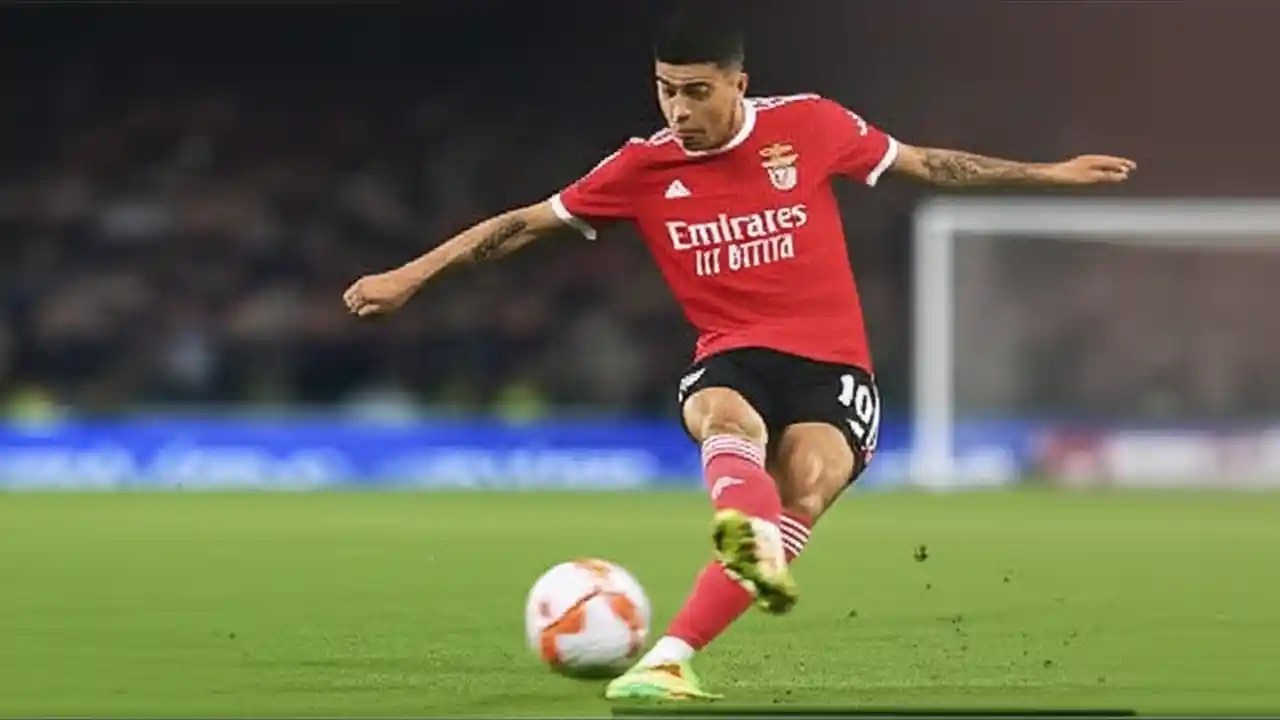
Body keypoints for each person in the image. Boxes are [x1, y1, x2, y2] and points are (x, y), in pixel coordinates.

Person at [342, 7, 1135, 702]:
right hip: (733, 354)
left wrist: (1049, 174)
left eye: (697, 91)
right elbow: (521, 225)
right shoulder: (642, 167)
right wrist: (409, 276)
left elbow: (927, 164)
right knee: (724, 416)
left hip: (833, 367)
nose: (679, 110)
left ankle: (667, 661)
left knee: (808, 485)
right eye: (666, 90)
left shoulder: (812, 125)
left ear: (738, 83)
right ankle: (744, 532)